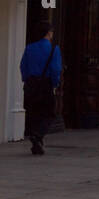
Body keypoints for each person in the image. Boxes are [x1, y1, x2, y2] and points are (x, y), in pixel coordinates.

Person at [20, 21, 62, 156]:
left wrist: (27, 80)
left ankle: (36, 138)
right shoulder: (54, 49)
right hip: (45, 84)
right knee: (49, 113)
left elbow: (23, 66)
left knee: (34, 111)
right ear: (49, 33)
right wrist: (55, 83)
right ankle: (38, 135)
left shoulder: (29, 48)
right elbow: (55, 69)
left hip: (32, 84)